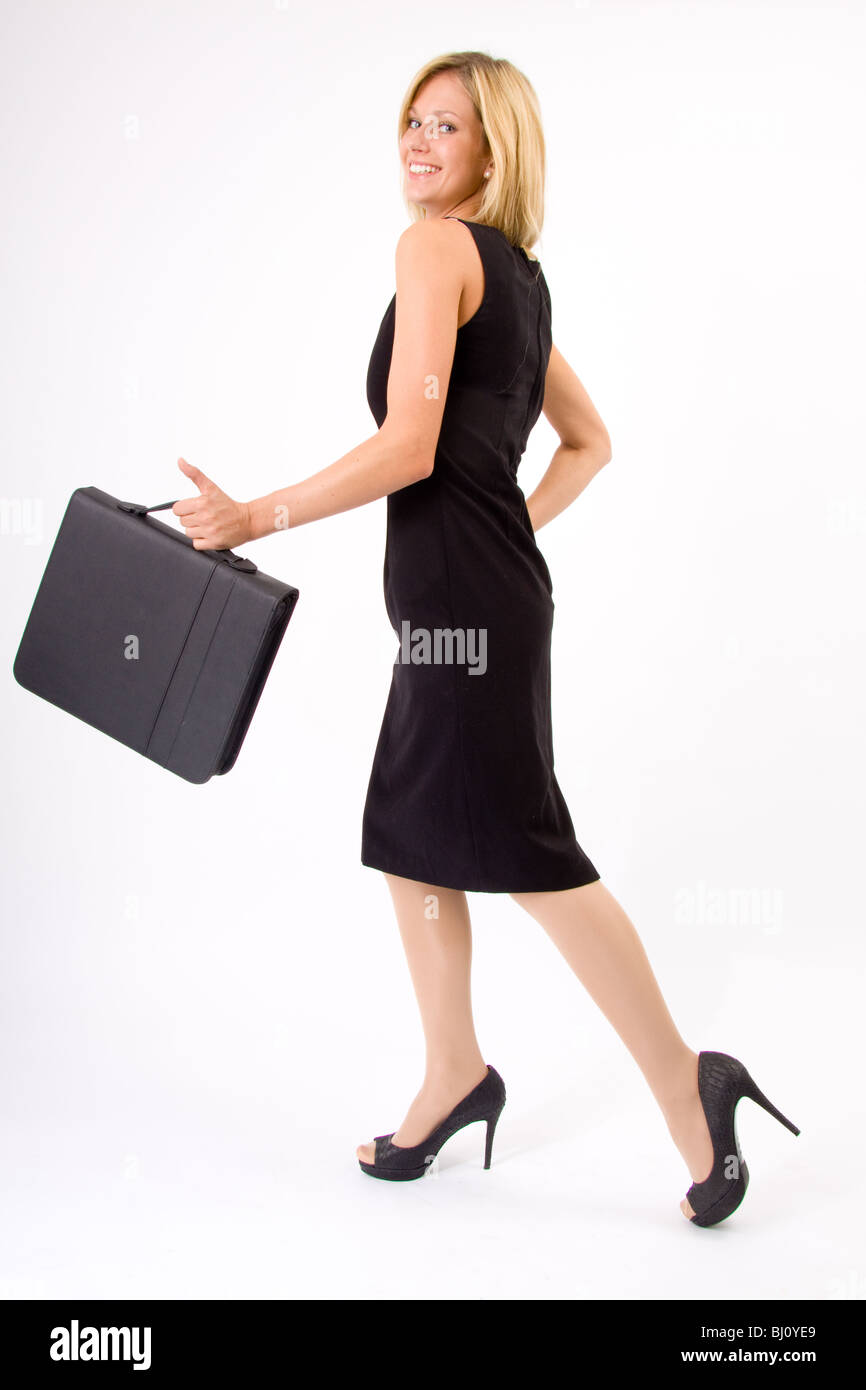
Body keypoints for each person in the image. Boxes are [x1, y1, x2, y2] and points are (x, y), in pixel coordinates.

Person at [171, 51, 799, 1225]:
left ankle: (686, 1086)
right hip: (474, 605)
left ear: (489, 154)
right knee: (413, 831)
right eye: (410, 121)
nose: (417, 143)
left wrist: (258, 514)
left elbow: (413, 451)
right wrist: (508, 531)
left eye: (444, 127)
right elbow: (587, 442)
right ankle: (454, 1069)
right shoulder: (519, 280)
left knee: (527, 851)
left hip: (462, 612)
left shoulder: (433, 250)